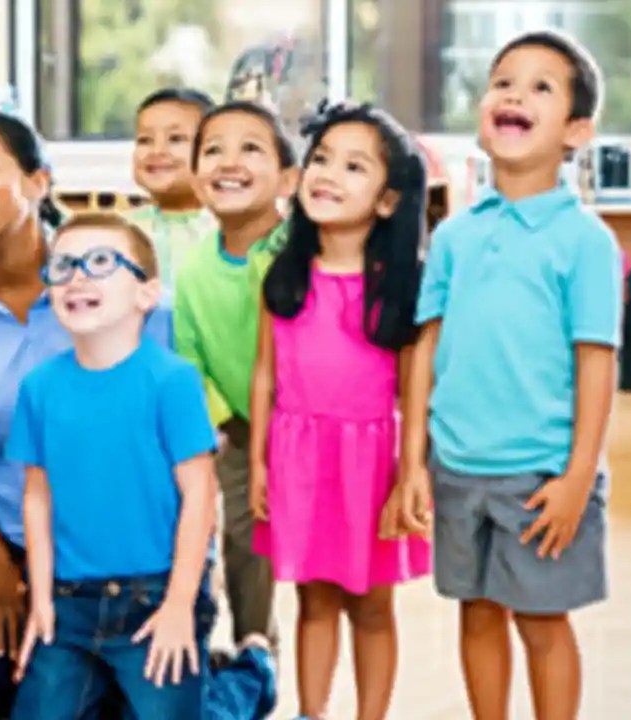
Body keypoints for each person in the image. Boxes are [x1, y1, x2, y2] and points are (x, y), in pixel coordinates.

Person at [0, 110, 172, 720]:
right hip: (2, 530)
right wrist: (2, 572)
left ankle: (239, 678)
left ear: (38, 182)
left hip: (118, 536)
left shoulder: (114, 283)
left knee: (124, 697)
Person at [393, 30, 621, 720]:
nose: (514, 93)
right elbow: (426, 348)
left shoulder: (584, 241)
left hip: (543, 473)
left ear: (577, 130)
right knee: (477, 611)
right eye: (502, 82)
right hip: (458, 464)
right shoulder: (456, 235)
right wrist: (413, 464)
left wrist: (579, 475)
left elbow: (596, 362)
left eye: (540, 87)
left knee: (542, 622)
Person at [250, 100, 432, 720]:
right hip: (298, 458)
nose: (328, 173)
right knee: (314, 599)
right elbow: (264, 375)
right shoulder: (283, 276)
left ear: (386, 200)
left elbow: (415, 394)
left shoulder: (401, 287)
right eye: (322, 158)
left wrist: (410, 475)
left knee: (373, 605)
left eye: (354, 166)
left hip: (371, 464)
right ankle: (311, 711)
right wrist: (256, 466)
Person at [7, 213, 219, 719]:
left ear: (146, 295)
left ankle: (244, 682)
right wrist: (41, 601)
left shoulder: (172, 380)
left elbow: (200, 495)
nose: (77, 276)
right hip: (69, 600)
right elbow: (37, 496)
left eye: (100, 262)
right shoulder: (38, 388)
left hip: (156, 597)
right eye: (63, 266)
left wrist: (179, 606)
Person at [174, 100, 297, 651]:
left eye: (251, 147)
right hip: (242, 428)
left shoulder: (303, 250)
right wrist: (223, 422)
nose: (230, 161)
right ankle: (256, 648)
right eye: (213, 150)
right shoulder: (196, 268)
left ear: (288, 178)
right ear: (197, 178)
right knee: (246, 543)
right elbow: (191, 354)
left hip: (313, 419)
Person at [123, 87, 218, 284]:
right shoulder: (122, 230)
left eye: (176, 139)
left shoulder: (231, 229)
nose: (157, 151)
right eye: (144, 140)